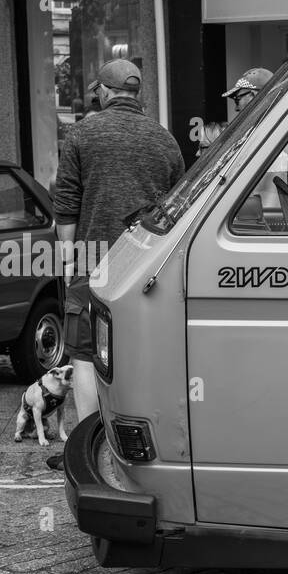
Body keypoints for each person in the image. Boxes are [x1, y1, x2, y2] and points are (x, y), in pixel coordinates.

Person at [47, 58, 184, 470]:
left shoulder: (81, 134)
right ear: (136, 93)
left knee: (85, 354)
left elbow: (66, 204)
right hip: (146, 264)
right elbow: (177, 207)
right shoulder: (165, 140)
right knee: (136, 355)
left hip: (93, 260)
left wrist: (68, 260)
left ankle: (89, 451)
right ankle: (139, 443)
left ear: (104, 93)